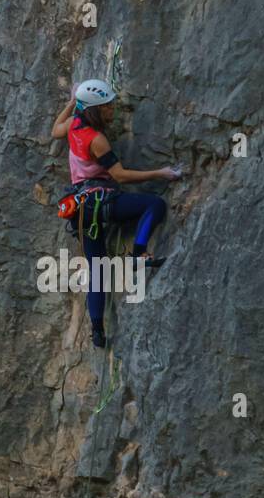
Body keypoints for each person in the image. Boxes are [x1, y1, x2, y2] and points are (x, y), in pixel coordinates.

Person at [51, 79, 181, 347]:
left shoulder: (75, 124)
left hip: (81, 210)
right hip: (102, 203)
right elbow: (120, 175)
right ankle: (139, 252)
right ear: (94, 110)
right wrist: (161, 173)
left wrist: (73, 101)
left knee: (97, 269)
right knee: (154, 205)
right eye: (107, 108)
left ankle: (97, 331)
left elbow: (55, 130)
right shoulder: (96, 140)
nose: (112, 112)